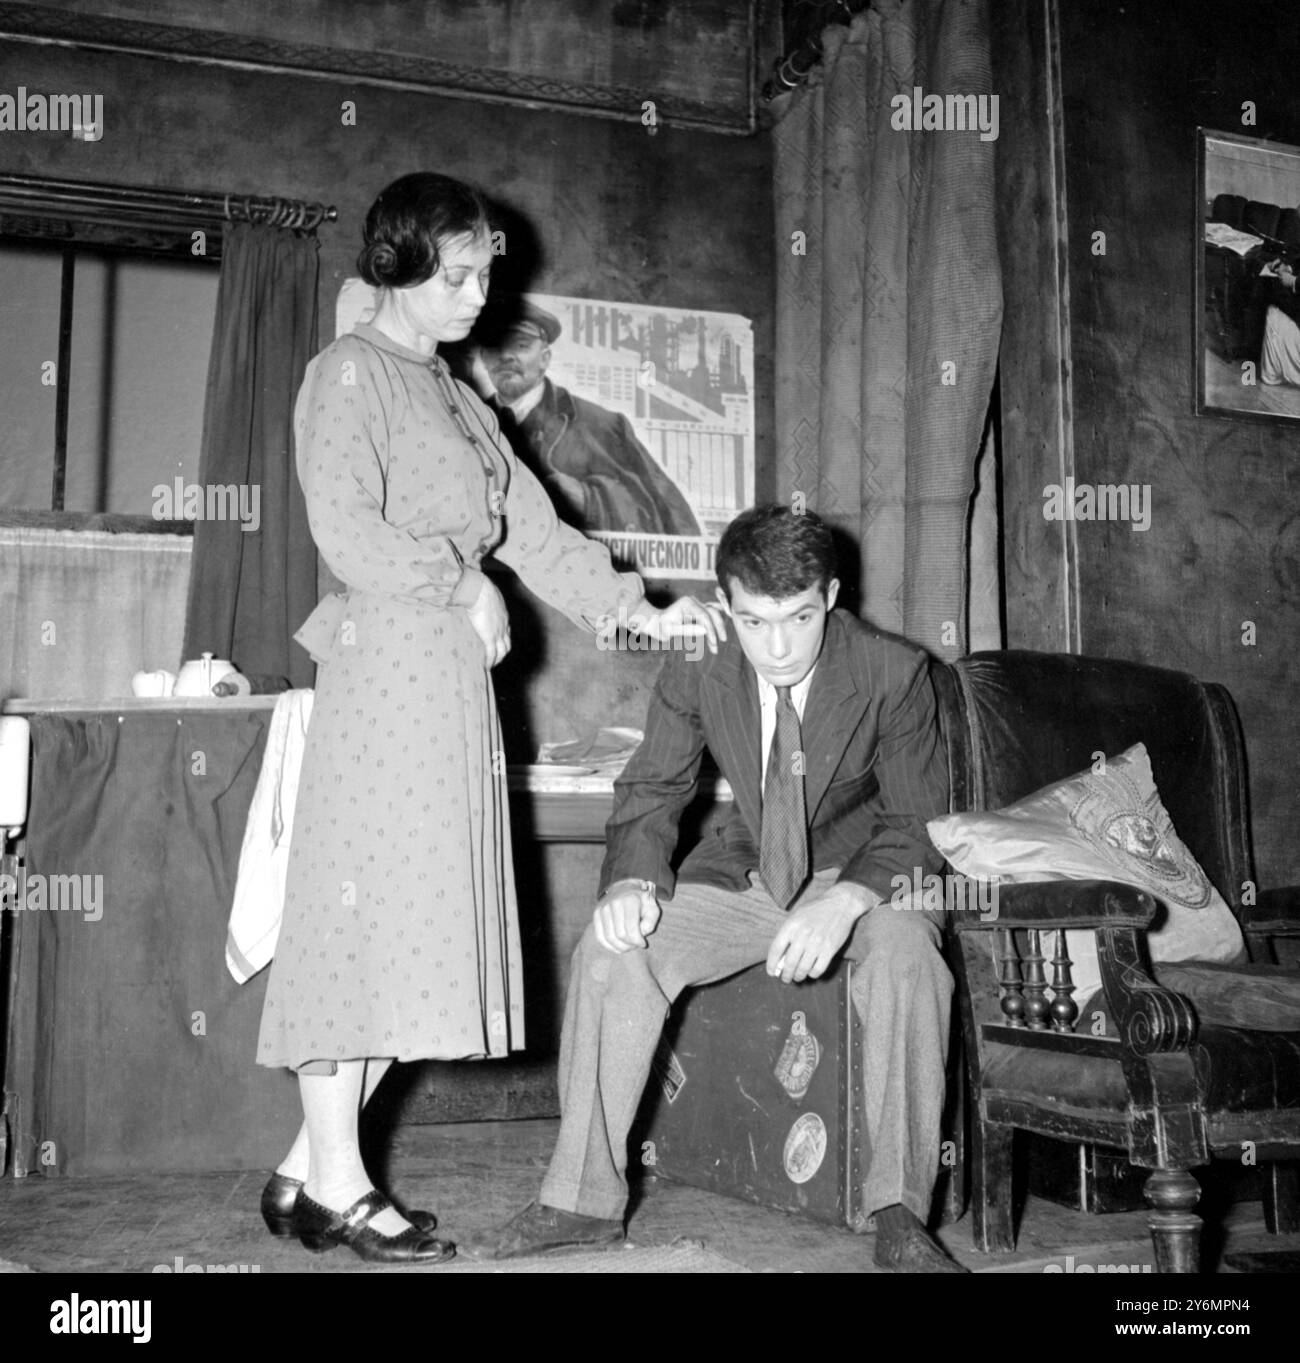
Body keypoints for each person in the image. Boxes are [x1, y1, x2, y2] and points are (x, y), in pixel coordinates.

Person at [254, 172, 724, 1264]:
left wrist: (641, 613)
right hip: (382, 674)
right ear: (398, 265)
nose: (477, 295)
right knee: (357, 936)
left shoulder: (458, 395)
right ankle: (336, 1184)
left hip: (452, 694)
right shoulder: (348, 374)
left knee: (411, 938)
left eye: (485, 273)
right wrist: (458, 585)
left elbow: (535, 529)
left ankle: (303, 1167)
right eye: (456, 274)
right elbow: (343, 530)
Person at [467, 505, 964, 1272]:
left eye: (799, 618)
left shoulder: (895, 672)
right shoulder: (702, 660)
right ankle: (580, 1199)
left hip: (866, 869)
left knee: (906, 952)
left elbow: (919, 821)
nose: (778, 646)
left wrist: (847, 900)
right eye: (755, 621)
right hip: (751, 867)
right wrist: (630, 881)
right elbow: (652, 787)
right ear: (726, 606)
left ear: (830, 597)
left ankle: (899, 1212)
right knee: (611, 952)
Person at [477, 301, 702, 537]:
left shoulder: (603, 426)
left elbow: (668, 516)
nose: (505, 356)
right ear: (483, 358)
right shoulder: (468, 421)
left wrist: (589, 500)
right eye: (494, 347)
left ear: (545, 358)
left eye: (520, 345)